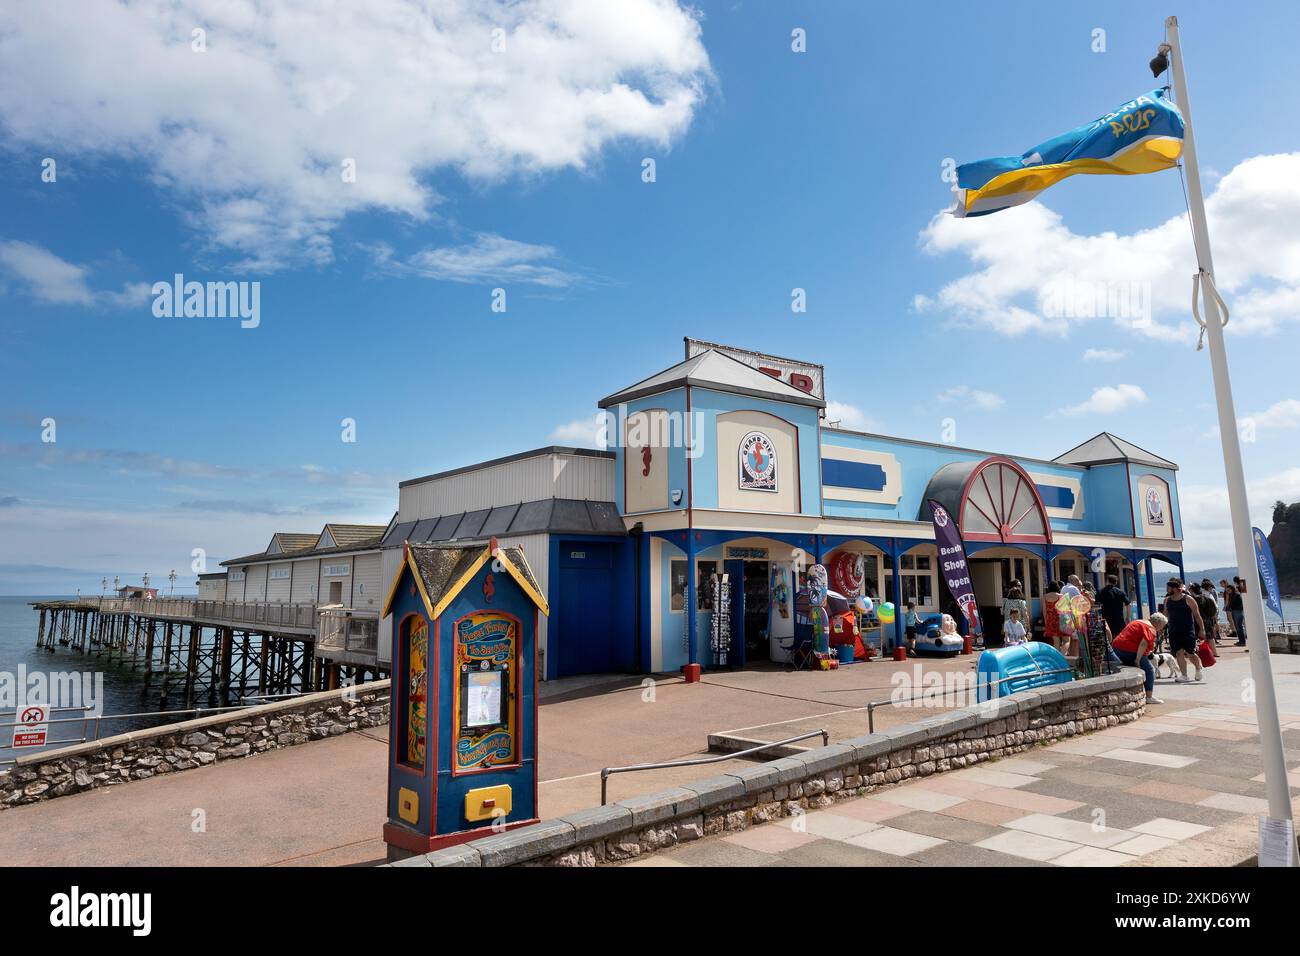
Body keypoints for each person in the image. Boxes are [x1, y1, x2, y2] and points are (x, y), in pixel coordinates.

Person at [1112, 613, 1168, 704]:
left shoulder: (1138, 621)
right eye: (1162, 626)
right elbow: (1143, 644)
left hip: (1117, 648)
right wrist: (1137, 660)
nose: (1162, 628)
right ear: (1158, 623)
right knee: (1150, 670)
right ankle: (1149, 697)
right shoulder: (1151, 628)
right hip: (1129, 650)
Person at [1164, 578, 1206, 681]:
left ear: (1175, 588)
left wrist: (1202, 629)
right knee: (1179, 653)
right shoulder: (1167, 600)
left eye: (1169, 587)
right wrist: (1162, 628)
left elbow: (1197, 615)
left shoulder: (1188, 599)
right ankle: (1184, 675)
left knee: (1190, 653)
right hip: (1173, 630)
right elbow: (1165, 615)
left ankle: (1198, 667)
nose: (1167, 589)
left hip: (1187, 630)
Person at [1097, 574, 1131, 642]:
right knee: (1120, 638)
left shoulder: (1101, 592)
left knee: (1108, 640)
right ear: (1116, 582)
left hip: (1106, 619)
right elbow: (1128, 604)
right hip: (1119, 619)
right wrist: (1128, 617)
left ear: (1107, 581)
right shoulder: (1120, 592)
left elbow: (1096, 605)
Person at [1043, 580, 1063, 651]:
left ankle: (1056, 653)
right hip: (1058, 618)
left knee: (1055, 639)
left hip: (1050, 619)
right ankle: (1058, 654)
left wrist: (1046, 620)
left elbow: (1044, 610)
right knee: (1059, 639)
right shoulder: (1060, 596)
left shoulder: (1045, 596)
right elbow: (1062, 609)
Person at [1229, 576, 1248, 646]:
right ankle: (1242, 640)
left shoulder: (1238, 590)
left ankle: (1242, 641)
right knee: (1239, 626)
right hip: (1240, 609)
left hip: (1238, 609)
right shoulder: (1241, 588)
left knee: (1239, 626)